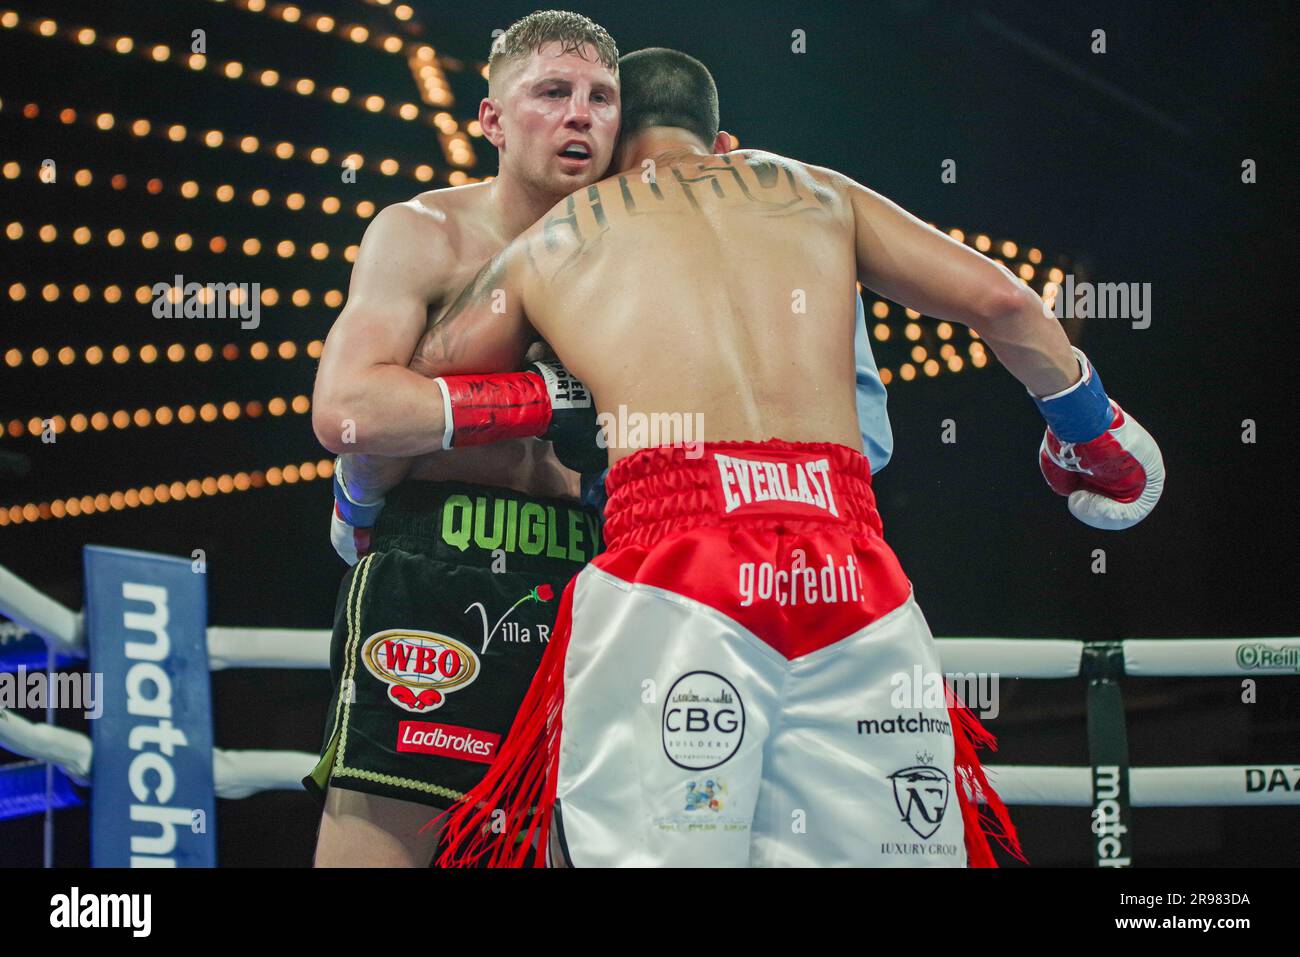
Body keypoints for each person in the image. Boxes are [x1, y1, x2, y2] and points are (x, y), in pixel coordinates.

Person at [407, 46, 1165, 867]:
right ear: (721, 141)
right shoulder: (816, 190)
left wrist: (532, 409)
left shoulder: (551, 240)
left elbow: (411, 395)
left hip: (673, 565)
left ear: (612, 143)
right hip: (848, 564)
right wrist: (1094, 431)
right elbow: (1003, 301)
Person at [303, 10, 621, 868]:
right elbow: (348, 408)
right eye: (552, 91)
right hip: (437, 565)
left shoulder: (640, 250)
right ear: (489, 117)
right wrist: (546, 395)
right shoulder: (424, 233)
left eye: (600, 97)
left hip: (589, 578)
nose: (580, 114)